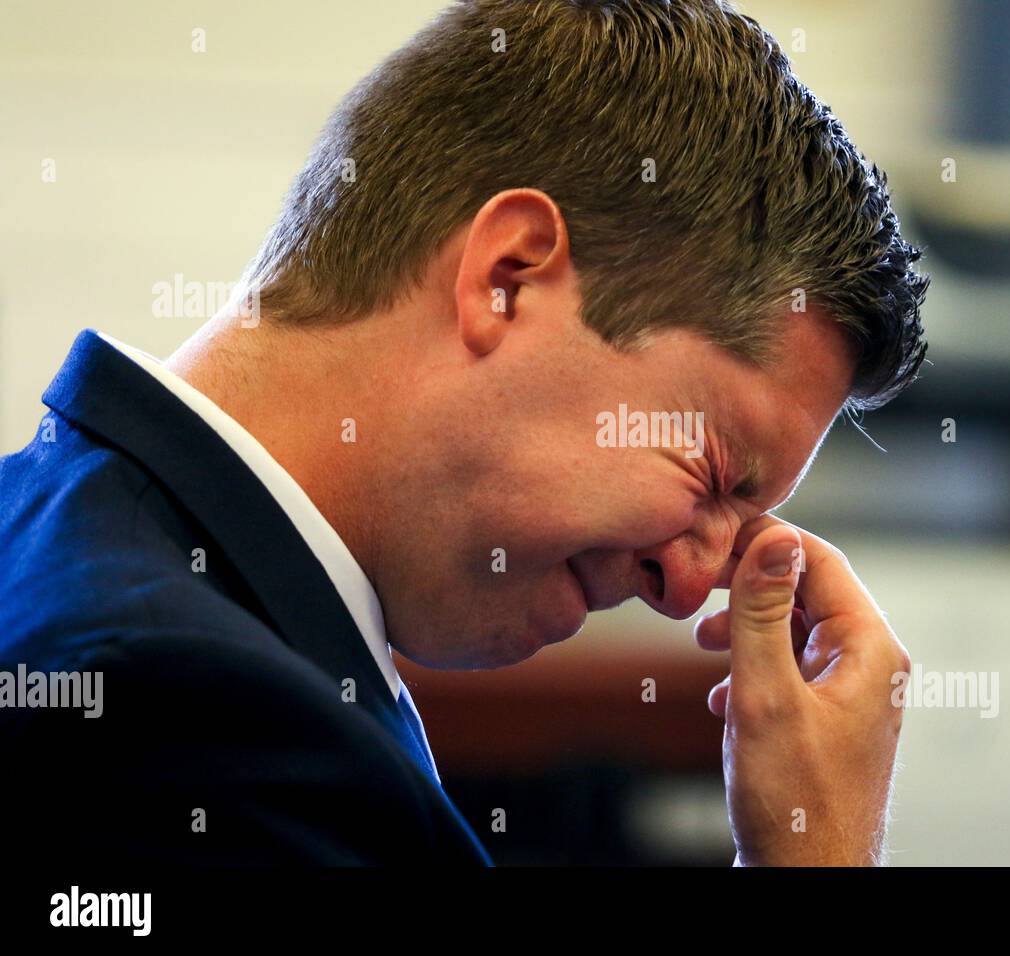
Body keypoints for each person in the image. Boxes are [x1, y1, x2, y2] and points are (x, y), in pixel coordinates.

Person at [0, 0, 926, 866]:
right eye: (714, 471)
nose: (689, 589)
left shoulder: (56, 537)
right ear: (508, 279)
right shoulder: (193, 715)